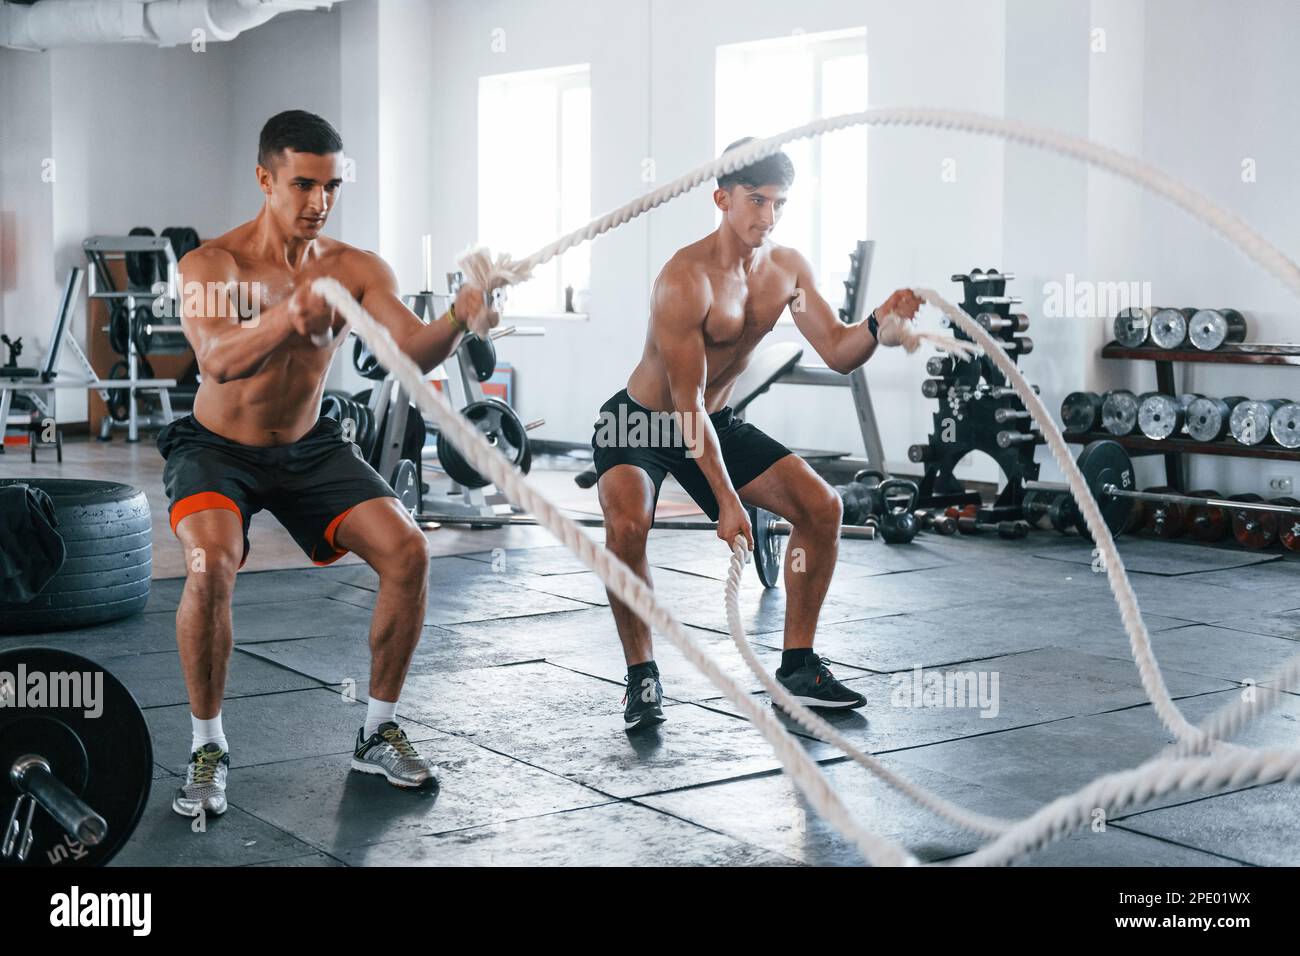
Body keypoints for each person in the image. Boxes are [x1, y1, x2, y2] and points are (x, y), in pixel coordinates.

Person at [159, 110, 493, 816]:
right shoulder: (210, 265)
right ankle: (207, 747)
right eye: (304, 184)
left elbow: (411, 353)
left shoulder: (357, 268)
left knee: (408, 549)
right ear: (265, 178)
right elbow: (217, 361)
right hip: (217, 451)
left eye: (331, 187)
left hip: (310, 446)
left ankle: (376, 733)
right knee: (210, 562)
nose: (319, 202)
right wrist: (290, 314)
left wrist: (462, 318)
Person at [591, 137, 921, 730]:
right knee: (627, 526)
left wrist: (878, 322)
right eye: (755, 201)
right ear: (721, 198)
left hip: (714, 423)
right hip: (640, 422)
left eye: (778, 204)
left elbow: (841, 352)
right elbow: (684, 402)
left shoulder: (787, 271)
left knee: (822, 507)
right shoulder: (684, 280)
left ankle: (797, 668)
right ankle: (641, 676)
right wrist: (727, 501)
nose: (766, 217)